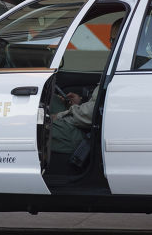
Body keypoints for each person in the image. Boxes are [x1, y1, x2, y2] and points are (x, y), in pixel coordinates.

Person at [51, 18, 123, 154]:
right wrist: (80, 102)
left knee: (39, 126)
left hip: (89, 137)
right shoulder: (127, 64)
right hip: (91, 123)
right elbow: (99, 104)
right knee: (53, 100)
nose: (110, 45)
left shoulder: (125, 68)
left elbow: (94, 113)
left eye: (113, 40)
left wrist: (59, 116)